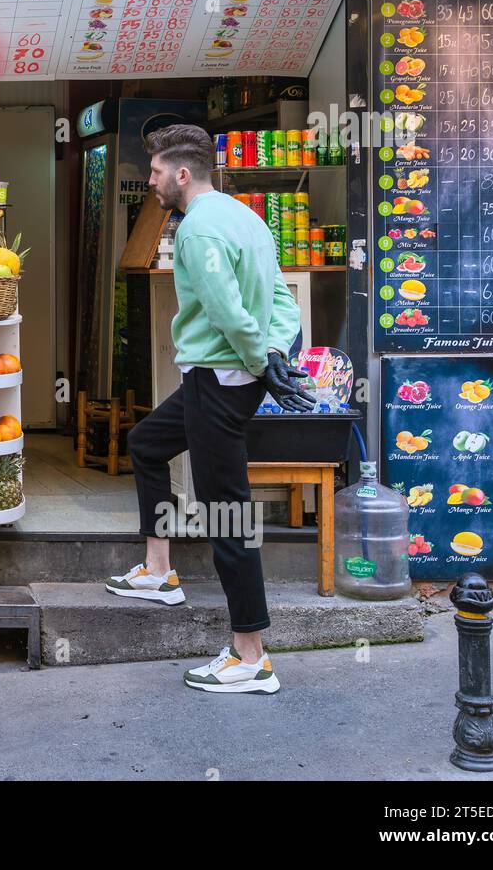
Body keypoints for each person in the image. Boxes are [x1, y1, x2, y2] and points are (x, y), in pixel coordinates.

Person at [105, 124, 313, 694]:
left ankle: (251, 655)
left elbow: (225, 311)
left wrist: (255, 358)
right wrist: (272, 352)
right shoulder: (246, 217)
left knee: (229, 516)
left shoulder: (197, 230)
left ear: (182, 173)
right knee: (146, 443)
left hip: (218, 379)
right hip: (231, 374)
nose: (149, 182)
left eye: (154, 173)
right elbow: (278, 300)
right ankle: (157, 569)